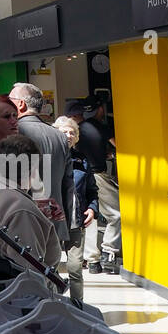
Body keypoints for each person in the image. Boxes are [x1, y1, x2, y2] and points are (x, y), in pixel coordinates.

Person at [10, 82, 80, 303]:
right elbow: (68, 185)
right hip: (54, 222)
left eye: (10, 99)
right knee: (49, 278)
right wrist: (66, 224)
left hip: (22, 219)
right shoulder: (59, 137)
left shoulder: (14, 131)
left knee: (24, 281)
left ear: (20, 104)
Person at [0, 133, 63, 269]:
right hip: (19, 286)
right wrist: (31, 211)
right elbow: (29, 275)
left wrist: (35, 210)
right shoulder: (23, 210)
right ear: (31, 169)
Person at [68, 99, 121, 273]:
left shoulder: (70, 134)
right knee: (116, 214)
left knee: (89, 217)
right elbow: (119, 146)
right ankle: (109, 251)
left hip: (77, 177)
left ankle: (92, 262)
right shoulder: (98, 127)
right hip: (98, 176)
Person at [55, 113, 99, 268]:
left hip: (75, 221)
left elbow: (92, 190)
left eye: (72, 132)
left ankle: (76, 294)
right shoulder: (47, 158)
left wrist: (92, 209)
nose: (69, 135)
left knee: (75, 268)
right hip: (53, 222)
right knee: (51, 267)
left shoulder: (82, 160)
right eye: (64, 132)